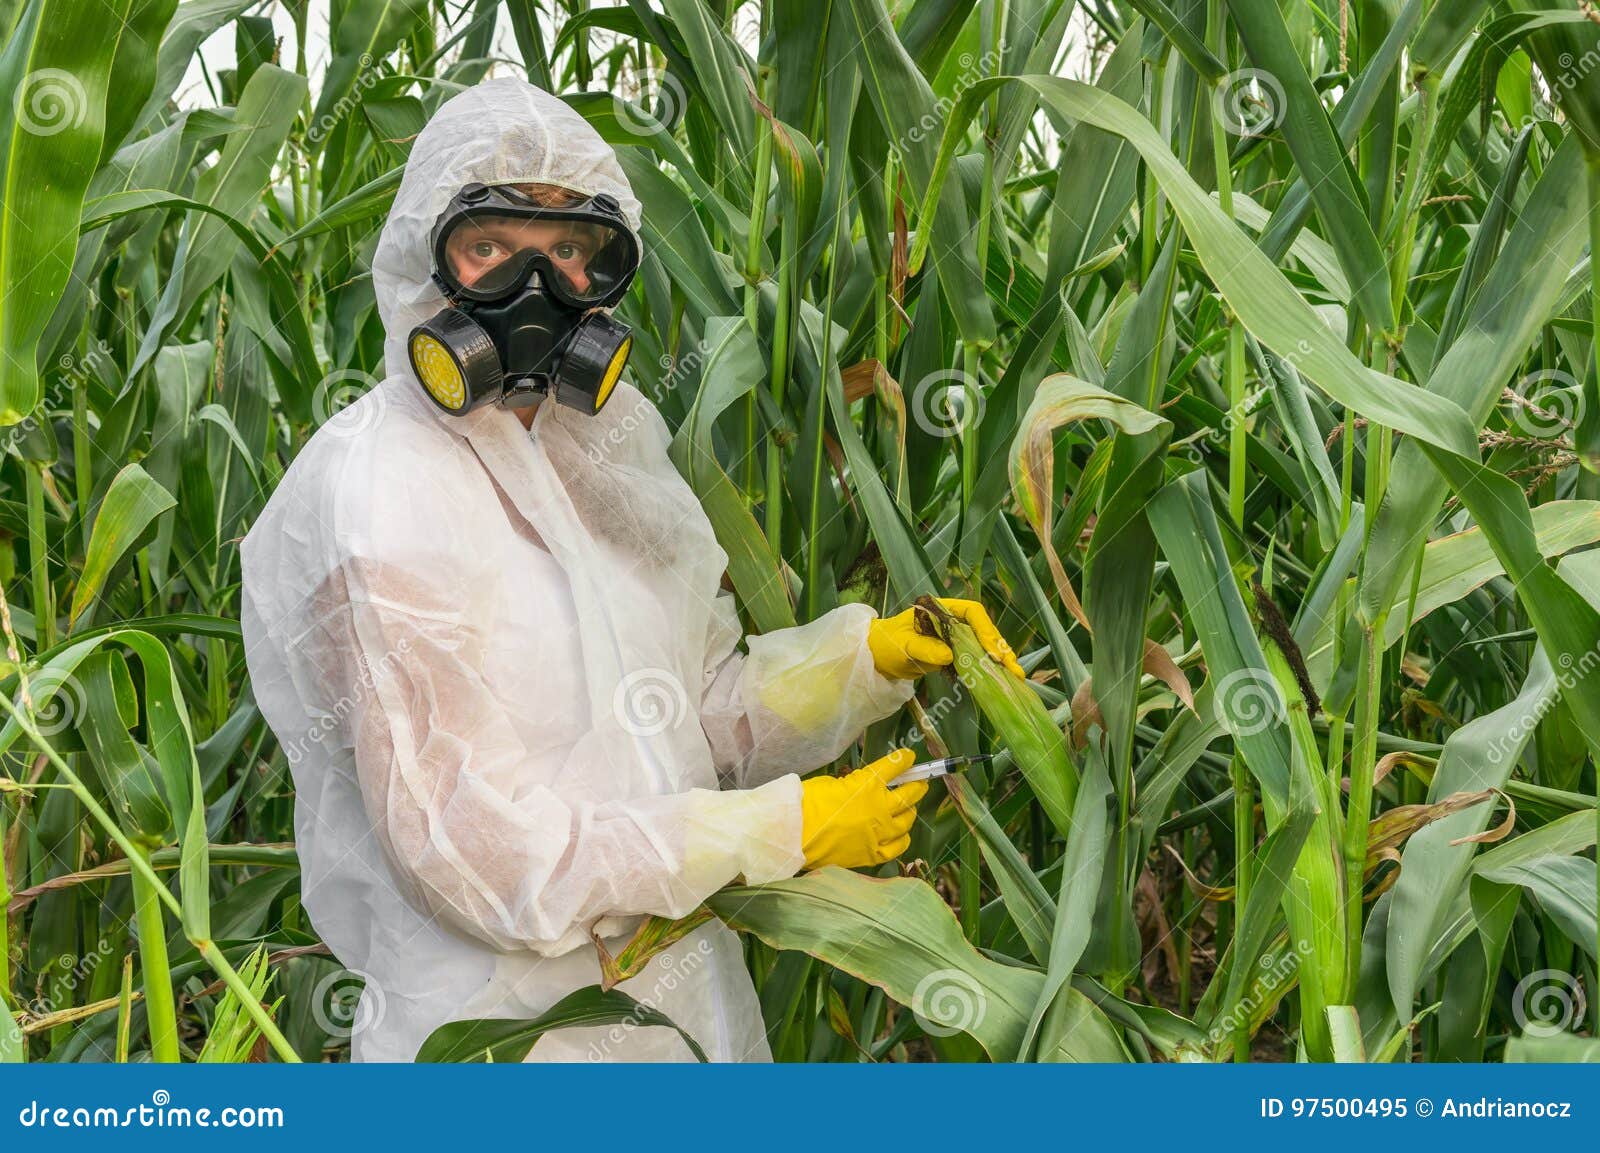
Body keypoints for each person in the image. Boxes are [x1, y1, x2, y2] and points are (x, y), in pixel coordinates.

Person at [240, 77, 1023, 1063]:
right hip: (499, 1041)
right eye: (491, 251)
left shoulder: (606, 446)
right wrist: (779, 831)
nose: (538, 292)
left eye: (569, 253)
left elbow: (696, 723)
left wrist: (866, 662)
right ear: (424, 262)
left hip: (682, 1021)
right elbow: (472, 857)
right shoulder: (379, 491)